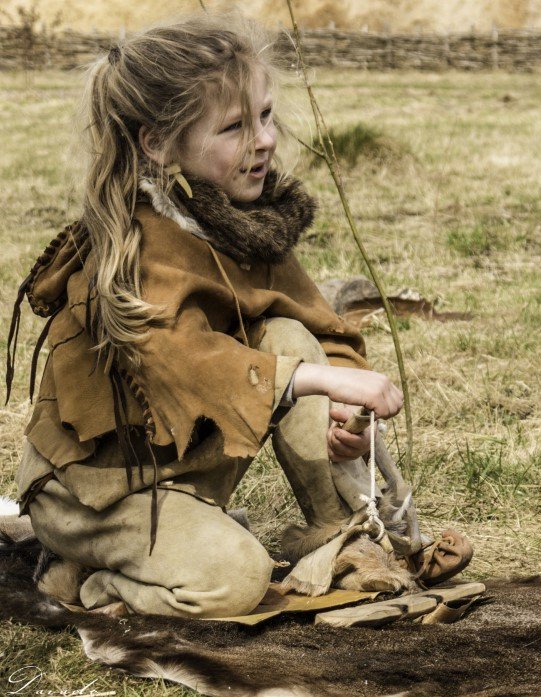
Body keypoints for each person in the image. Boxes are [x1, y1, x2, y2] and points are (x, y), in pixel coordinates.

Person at [6, 13, 468, 619]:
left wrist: (344, 412)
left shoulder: (239, 223)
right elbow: (182, 362)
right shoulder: (130, 248)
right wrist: (313, 380)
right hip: (97, 491)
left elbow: (318, 328)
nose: (265, 140)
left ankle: (341, 535)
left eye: (266, 116)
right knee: (237, 580)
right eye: (233, 127)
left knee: (289, 338)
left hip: (184, 463)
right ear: (157, 143)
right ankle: (93, 580)